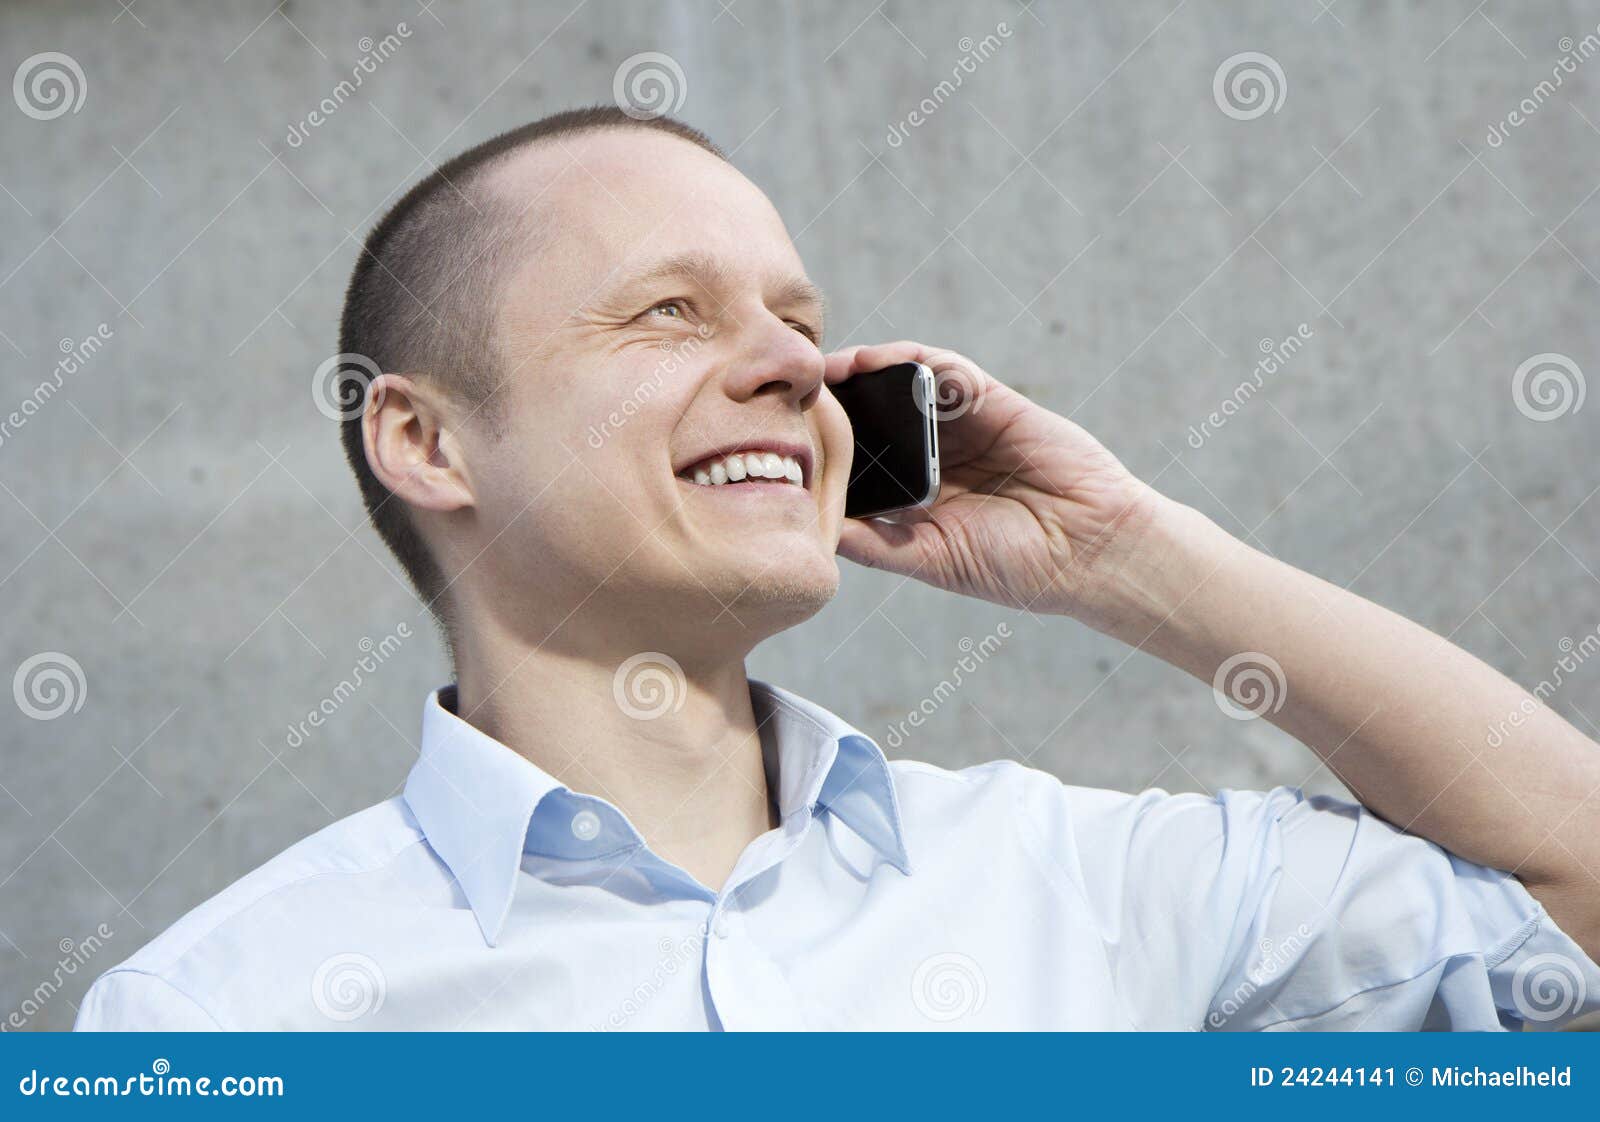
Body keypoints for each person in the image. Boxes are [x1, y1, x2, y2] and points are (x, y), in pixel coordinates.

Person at [76, 107, 1600, 1030]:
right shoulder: (220, 1015)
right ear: (425, 439)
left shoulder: (1088, 885)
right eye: (669, 312)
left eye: (797, 322)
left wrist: (1127, 554)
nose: (794, 364)